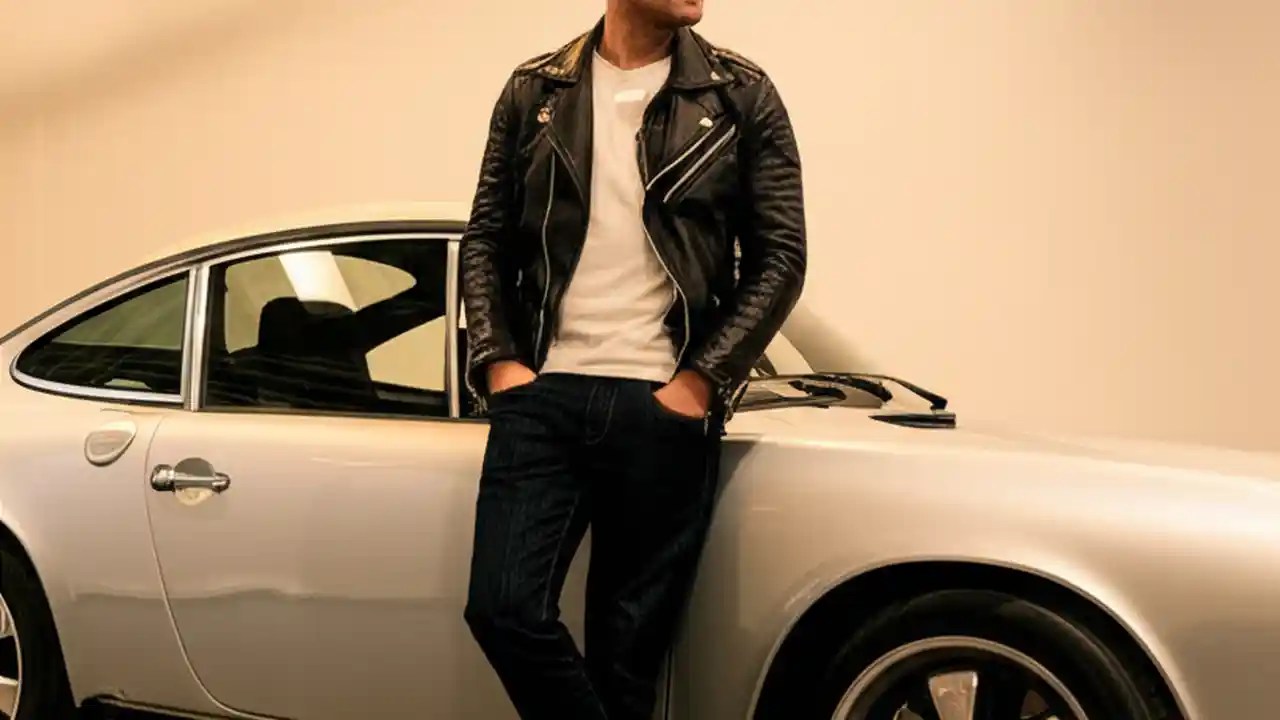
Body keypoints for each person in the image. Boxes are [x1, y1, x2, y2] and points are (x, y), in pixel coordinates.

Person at [460, 0, 805, 717]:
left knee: (627, 663)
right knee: (502, 609)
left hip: (661, 408)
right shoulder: (536, 91)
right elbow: (486, 241)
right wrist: (501, 365)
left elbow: (781, 259)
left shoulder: (741, 94)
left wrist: (699, 383)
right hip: (545, 397)